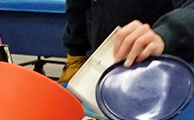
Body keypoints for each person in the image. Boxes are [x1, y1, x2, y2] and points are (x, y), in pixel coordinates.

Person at [60, 0, 194, 82]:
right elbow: (77, 6)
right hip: (105, 68)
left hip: (168, 71)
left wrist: (166, 33)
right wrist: (76, 52)